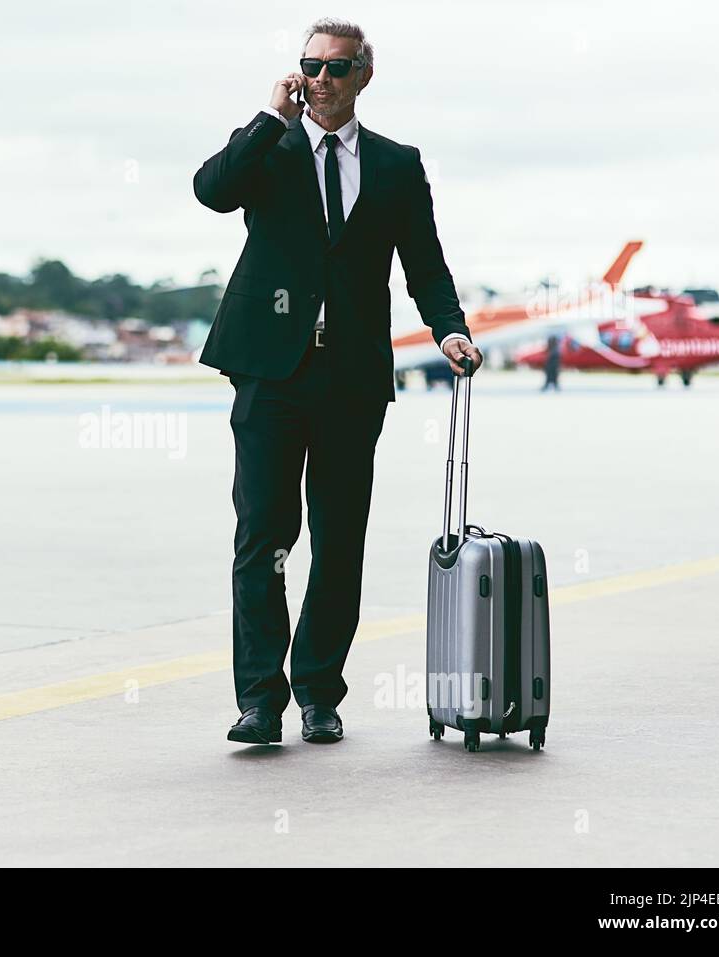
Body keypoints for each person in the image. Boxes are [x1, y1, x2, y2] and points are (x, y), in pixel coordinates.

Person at [192, 17, 484, 745]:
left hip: (351, 377)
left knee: (339, 536)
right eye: (310, 66)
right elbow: (212, 191)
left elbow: (426, 263)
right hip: (270, 369)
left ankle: (320, 692)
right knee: (265, 534)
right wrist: (270, 116)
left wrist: (450, 328)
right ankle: (260, 698)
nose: (321, 79)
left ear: (364, 75)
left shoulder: (394, 164)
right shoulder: (269, 146)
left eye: (337, 68)